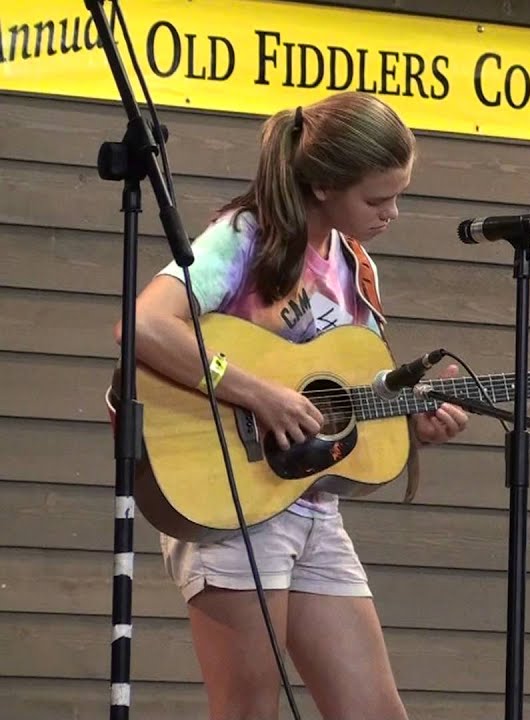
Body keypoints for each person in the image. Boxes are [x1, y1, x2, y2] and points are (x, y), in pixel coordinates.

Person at [114, 91, 469, 720]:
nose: (393, 213)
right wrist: (259, 393)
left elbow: (347, 396)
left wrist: (414, 421)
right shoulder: (243, 237)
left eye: (397, 195)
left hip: (314, 510)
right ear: (326, 186)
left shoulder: (358, 268)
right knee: (249, 712)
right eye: (377, 198)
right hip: (229, 494)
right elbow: (141, 325)